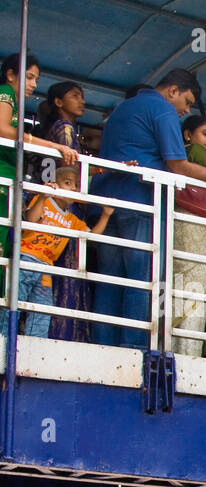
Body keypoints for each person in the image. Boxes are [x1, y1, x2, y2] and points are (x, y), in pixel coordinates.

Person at [91, 69, 206, 348]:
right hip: (141, 203)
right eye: (187, 102)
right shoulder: (162, 108)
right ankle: (134, 352)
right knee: (142, 281)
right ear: (173, 91)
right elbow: (178, 164)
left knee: (109, 281)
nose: (185, 110)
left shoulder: (123, 108)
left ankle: (101, 347)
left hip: (106, 200)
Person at [16, 166, 111, 337]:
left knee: (42, 309)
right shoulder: (43, 199)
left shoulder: (72, 219)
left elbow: (90, 237)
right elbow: (31, 219)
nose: (73, 189)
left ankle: (34, 345)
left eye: (76, 186)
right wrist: (43, 196)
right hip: (26, 259)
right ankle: (4, 336)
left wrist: (106, 215)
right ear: (55, 185)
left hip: (46, 267)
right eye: (67, 183)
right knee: (14, 302)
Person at [0, 54, 78, 255]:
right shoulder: (6, 92)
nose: (33, 84)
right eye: (29, 77)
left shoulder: (15, 102)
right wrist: (52, 145)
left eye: (36, 79)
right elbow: (3, 129)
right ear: (10, 75)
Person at [39, 84, 93, 341]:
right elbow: (68, 172)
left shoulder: (55, 128)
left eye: (82, 96)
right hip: (66, 209)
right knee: (68, 277)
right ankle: (64, 337)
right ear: (59, 102)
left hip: (50, 209)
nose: (82, 101)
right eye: (75, 96)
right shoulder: (65, 129)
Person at [170, 114, 206, 356]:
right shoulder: (196, 152)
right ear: (187, 135)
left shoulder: (179, 155)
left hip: (180, 222)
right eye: (205, 133)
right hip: (195, 228)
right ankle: (187, 353)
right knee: (196, 290)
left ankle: (170, 346)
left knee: (179, 286)